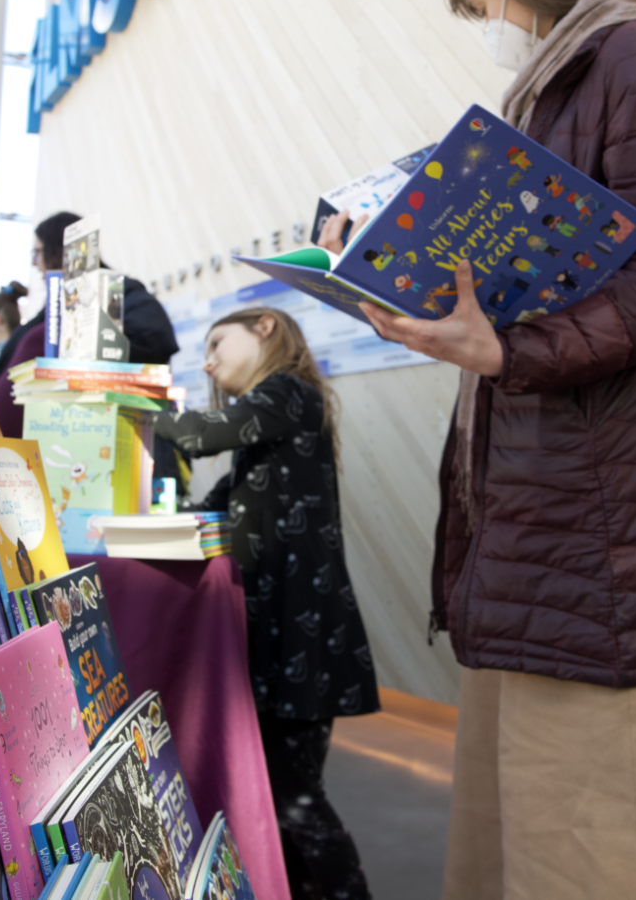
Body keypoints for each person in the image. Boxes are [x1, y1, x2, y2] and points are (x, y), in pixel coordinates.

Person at [325, 0, 636, 900]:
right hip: (532, 505)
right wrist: (390, 270)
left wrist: (504, 354)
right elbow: (531, 290)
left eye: (486, 8)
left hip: (603, 505)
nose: (488, 32)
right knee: (531, 815)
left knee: (604, 820)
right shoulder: (545, 93)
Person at [154, 308, 378, 900]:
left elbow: (199, 436)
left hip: (300, 641)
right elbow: (213, 504)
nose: (207, 361)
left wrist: (136, 405)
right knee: (286, 791)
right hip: (287, 638)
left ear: (266, 327)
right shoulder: (273, 427)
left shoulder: (287, 393)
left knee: (295, 796)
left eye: (216, 343)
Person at [0, 211, 178, 437]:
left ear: (60, 250)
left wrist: (86, 354)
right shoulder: (52, 308)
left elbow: (156, 339)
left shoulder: (120, 294)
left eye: (38, 252)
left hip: (92, 437)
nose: (34, 263)